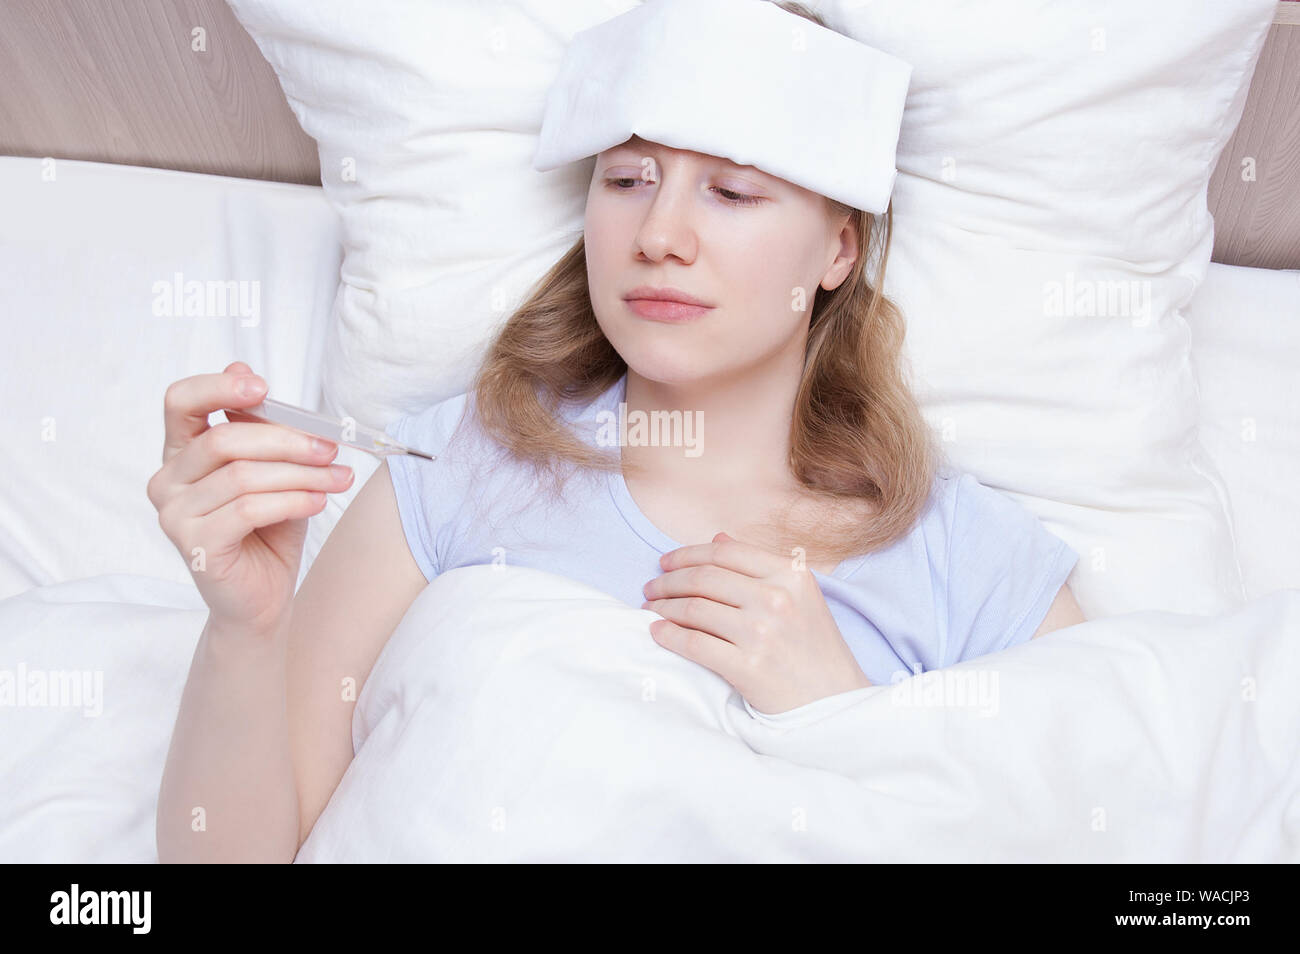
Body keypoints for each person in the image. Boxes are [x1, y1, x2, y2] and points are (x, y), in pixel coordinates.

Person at [149, 0, 1084, 864]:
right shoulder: (458, 466)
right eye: (629, 179)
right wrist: (244, 630)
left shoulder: (969, 562)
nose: (659, 234)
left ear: (840, 248)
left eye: (731, 192)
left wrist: (838, 718)